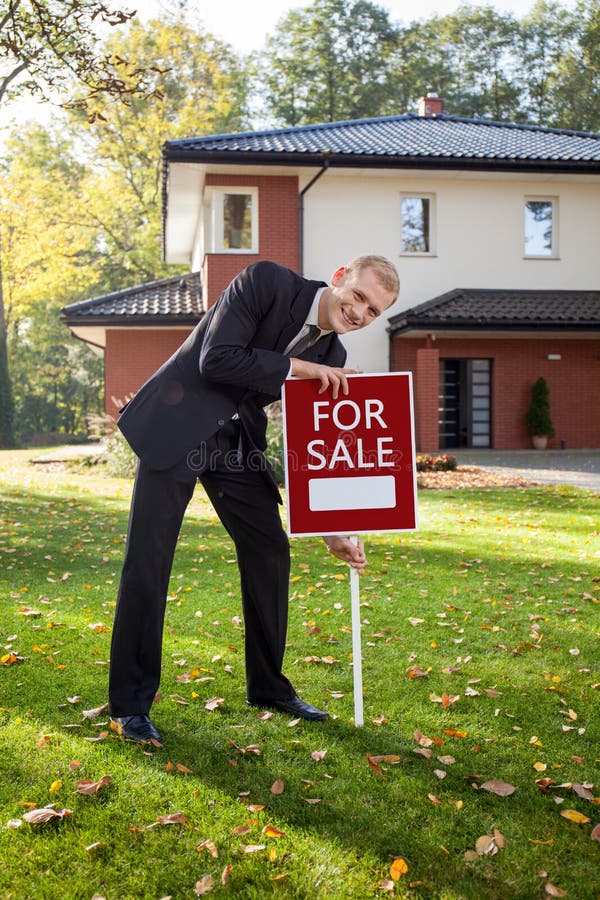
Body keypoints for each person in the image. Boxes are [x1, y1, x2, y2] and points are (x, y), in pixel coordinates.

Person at [109, 256, 400, 746]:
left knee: (270, 549)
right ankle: (130, 706)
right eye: (358, 297)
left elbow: (316, 446)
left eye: (374, 311)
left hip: (237, 445)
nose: (359, 313)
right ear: (340, 278)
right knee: (149, 560)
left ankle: (268, 686)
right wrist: (296, 367)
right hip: (178, 424)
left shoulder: (332, 355)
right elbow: (215, 358)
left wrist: (331, 528)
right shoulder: (266, 282)